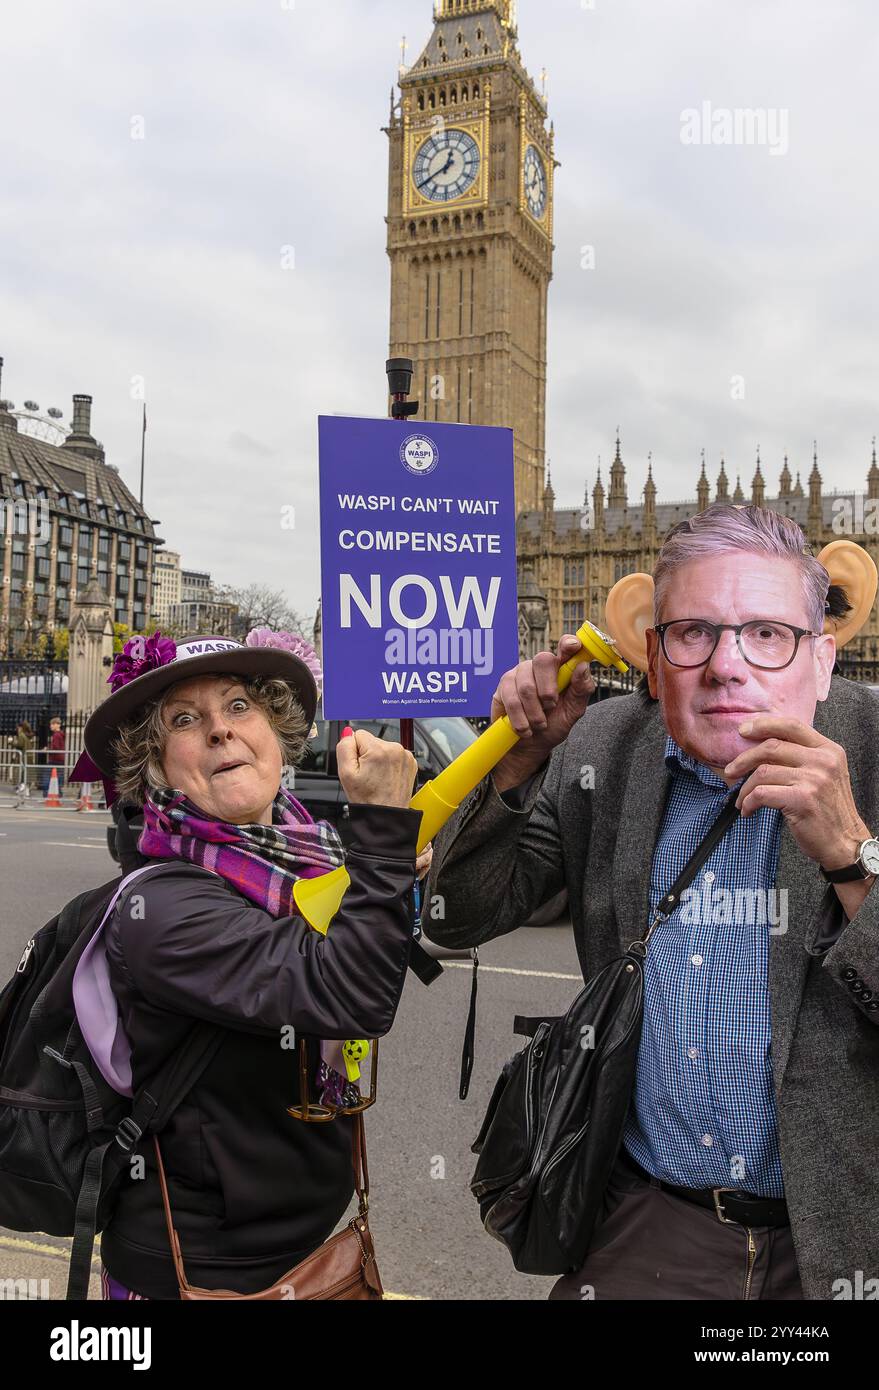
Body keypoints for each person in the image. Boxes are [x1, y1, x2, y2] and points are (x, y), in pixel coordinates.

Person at [428, 503, 879, 1301]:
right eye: (692, 632)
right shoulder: (603, 747)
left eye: (767, 634)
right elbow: (455, 917)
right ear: (651, 653)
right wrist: (515, 760)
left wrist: (853, 858)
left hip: (845, 1235)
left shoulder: (871, 752)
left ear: (822, 659)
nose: (725, 665)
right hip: (647, 1228)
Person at [73, 627, 427, 1299]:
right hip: (194, 1275)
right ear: (154, 766)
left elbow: (394, 940)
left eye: (238, 706)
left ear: (275, 729)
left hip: (307, 1252)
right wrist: (381, 836)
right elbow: (347, 995)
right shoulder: (161, 910)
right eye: (185, 719)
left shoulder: (313, 858)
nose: (219, 730)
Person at [41, 715, 65, 797]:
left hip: (55, 759)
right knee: (58, 777)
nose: (50, 726)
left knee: (47, 776)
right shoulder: (60, 734)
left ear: (57, 725)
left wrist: (47, 749)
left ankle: (46, 793)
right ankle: (59, 793)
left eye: (52, 724)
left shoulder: (56, 735)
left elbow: (55, 748)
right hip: (60, 759)